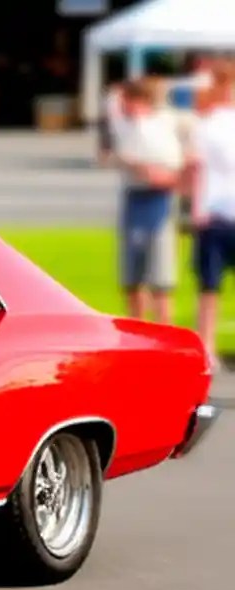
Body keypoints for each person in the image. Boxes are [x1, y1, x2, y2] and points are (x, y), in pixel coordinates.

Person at [112, 76, 187, 325]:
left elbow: (174, 167)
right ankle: (137, 327)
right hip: (136, 197)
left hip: (158, 201)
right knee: (133, 275)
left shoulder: (160, 125)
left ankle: (163, 327)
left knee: (161, 277)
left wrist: (156, 173)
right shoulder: (129, 126)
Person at [190, 60, 235, 367]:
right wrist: (198, 206)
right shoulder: (208, 125)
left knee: (210, 285)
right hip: (217, 213)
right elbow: (199, 168)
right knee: (209, 285)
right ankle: (206, 344)